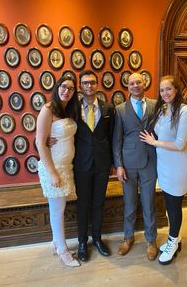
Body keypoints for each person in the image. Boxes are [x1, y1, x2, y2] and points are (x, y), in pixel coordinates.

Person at [139, 75, 187, 265]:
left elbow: (179, 144)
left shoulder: (185, 111)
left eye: (168, 89)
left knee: (174, 205)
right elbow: (158, 131)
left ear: (176, 89)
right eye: (162, 90)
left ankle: (172, 242)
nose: (165, 93)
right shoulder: (162, 109)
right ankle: (176, 239)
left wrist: (154, 142)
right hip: (163, 165)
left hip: (178, 165)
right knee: (170, 205)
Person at [113, 72, 158, 261]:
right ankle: (128, 237)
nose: (135, 85)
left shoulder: (156, 105)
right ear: (128, 87)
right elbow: (117, 140)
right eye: (132, 83)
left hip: (150, 161)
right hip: (128, 163)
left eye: (138, 82)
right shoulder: (120, 109)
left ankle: (151, 240)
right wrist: (119, 166)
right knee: (129, 203)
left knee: (149, 203)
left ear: (144, 83)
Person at [36, 75, 80, 267]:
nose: (66, 91)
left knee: (58, 207)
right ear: (57, 87)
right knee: (57, 209)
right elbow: (40, 141)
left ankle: (56, 242)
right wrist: (52, 172)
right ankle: (63, 250)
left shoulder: (68, 109)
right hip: (54, 167)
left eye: (71, 89)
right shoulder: (48, 109)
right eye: (64, 87)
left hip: (66, 167)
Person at [74, 69, 115, 262]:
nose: (89, 86)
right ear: (80, 86)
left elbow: (113, 137)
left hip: (102, 165)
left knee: (99, 203)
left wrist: (115, 163)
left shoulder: (108, 109)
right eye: (85, 83)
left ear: (97, 85)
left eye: (92, 82)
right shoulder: (73, 109)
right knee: (83, 204)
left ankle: (97, 239)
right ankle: (82, 242)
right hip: (81, 164)